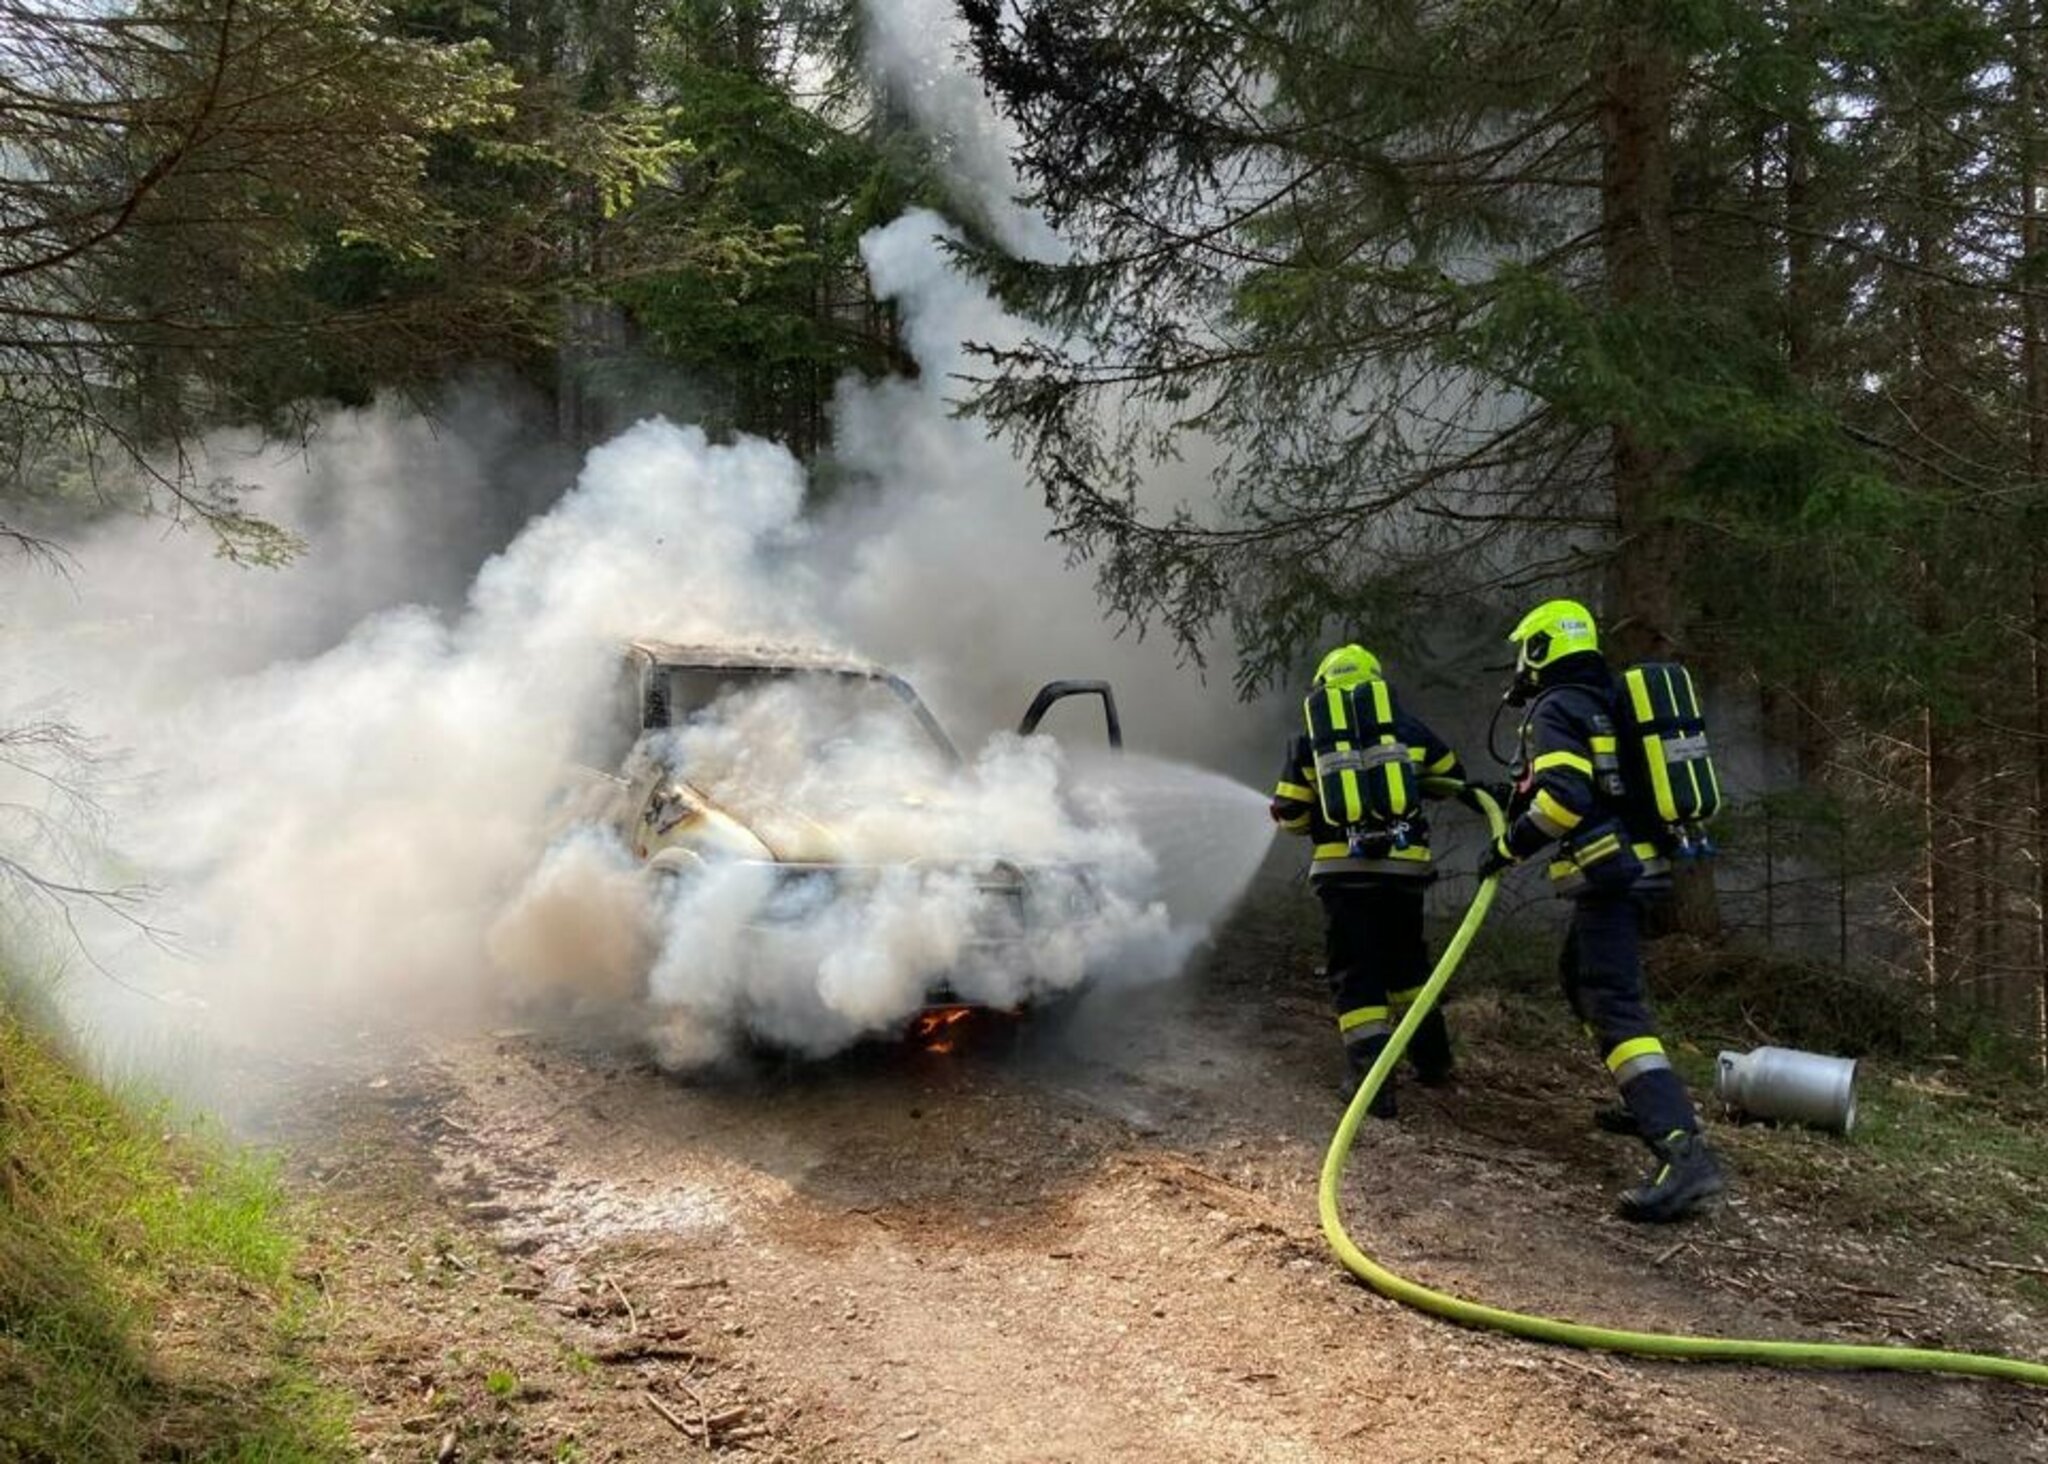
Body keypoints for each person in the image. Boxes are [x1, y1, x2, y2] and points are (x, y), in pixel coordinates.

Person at [1476, 599, 1727, 1223]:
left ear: (1540, 649)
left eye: (1524, 650)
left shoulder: (1557, 707)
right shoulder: (1604, 698)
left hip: (1609, 875)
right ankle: (1642, 1099)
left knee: (1613, 1002)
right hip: (1641, 866)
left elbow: (1563, 799)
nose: (1520, 665)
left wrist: (1508, 846)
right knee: (1580, 981)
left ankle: (1680, 1149)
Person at [1270, 643, 1474, 1115]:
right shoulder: (1407, 729)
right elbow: (1452, 777)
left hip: (1343, 874)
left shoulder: (1310, 740)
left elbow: (1292, 814)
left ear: (1323, 687)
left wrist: (1313, 818)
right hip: (1405, 869)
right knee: (1407, 966)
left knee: (1356, 973)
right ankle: (1433, 1060)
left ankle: (1372, 1085)